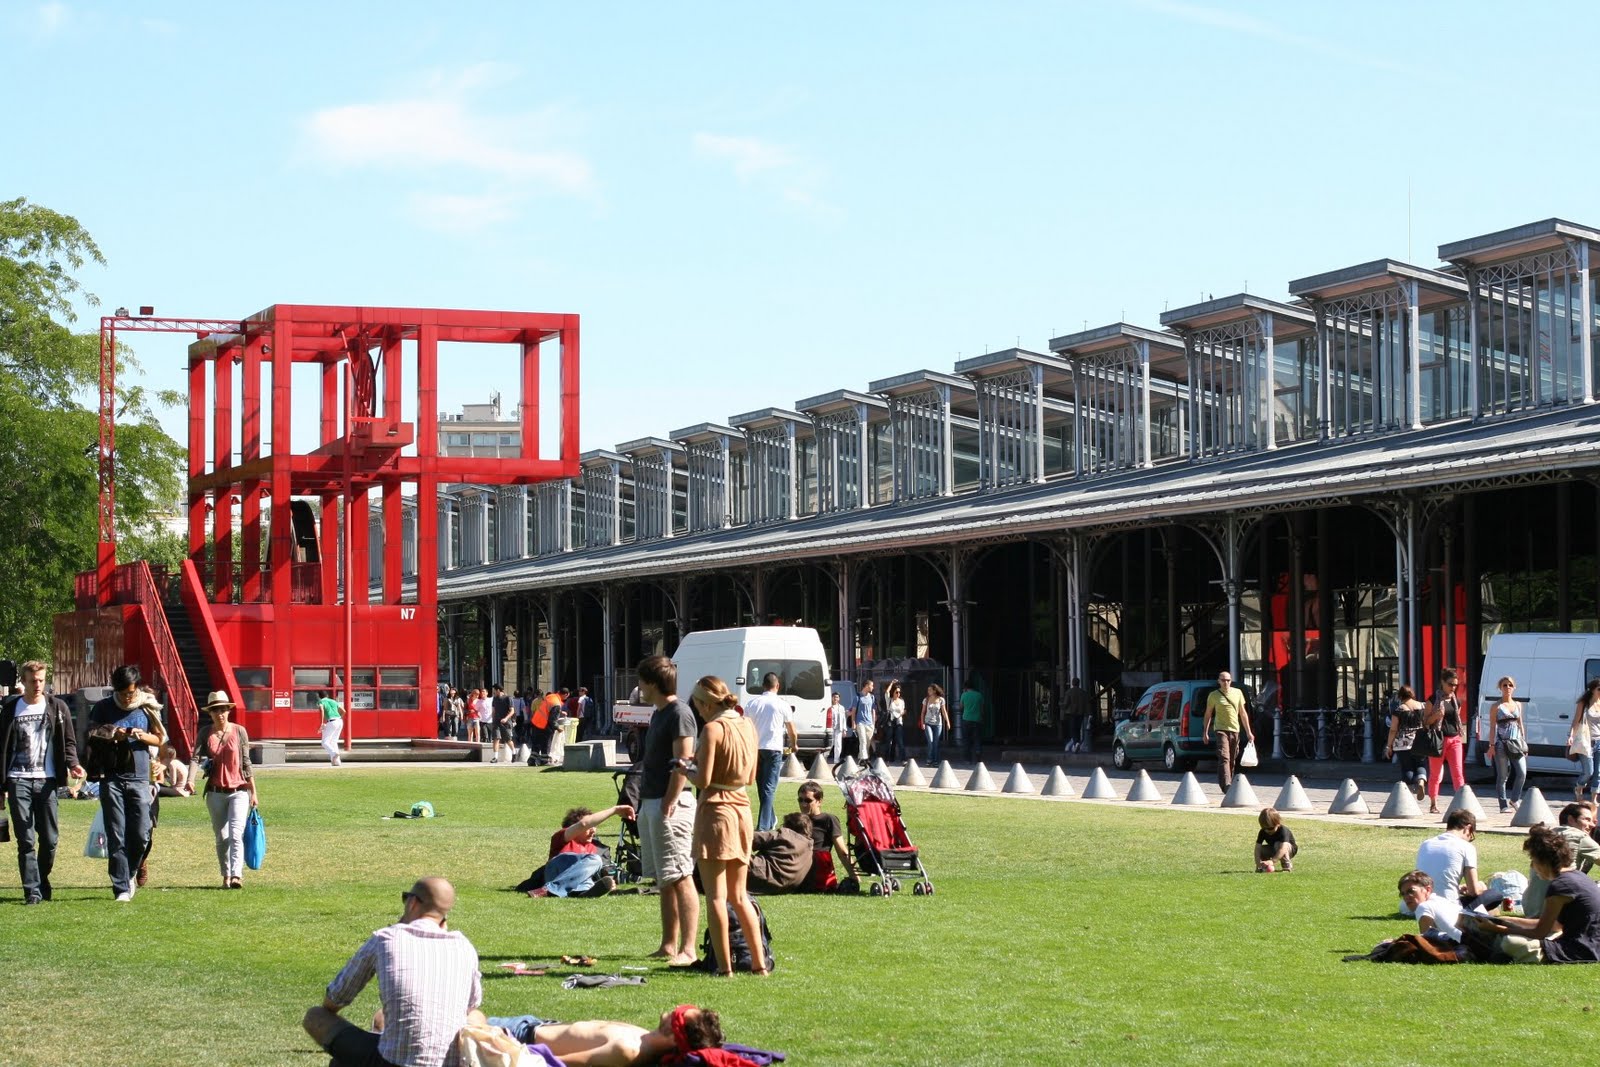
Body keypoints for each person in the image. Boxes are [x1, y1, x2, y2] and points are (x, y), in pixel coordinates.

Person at [302, 876, 482, 1067]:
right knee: (380, 1020)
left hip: (392, 1062)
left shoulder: (386, 938)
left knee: (315, 1016)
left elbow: (336, 998)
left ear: (412, 902)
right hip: (449, 1062)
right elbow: (471, 1007)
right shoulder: (464, 947)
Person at [688, 674, 769, 976]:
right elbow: (750, 777)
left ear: (706, 704)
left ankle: (725, 968)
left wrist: (685, 769)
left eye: (697, 704)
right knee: (740, 894)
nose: (696, 709)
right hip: (743, 809)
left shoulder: (712, 729)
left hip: (716, 811)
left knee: (717, 898)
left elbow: (703, 779)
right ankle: (759, 964)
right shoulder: (747, 724)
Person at [0, 660, 84, 905]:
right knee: (26, 840)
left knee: (49, 840)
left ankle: (40, 878)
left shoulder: (57, 708)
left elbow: (68, 741)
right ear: (23, 682)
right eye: (32, 680)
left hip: (47, 781)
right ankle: (32, 891)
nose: (37, 685)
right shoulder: (11, 709)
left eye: (41, 680)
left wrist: (73, 764)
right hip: (18, 780)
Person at [635, 655, 700, 966]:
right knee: (665, 878)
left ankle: (689, 949)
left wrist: (670, 801)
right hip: (653, 801)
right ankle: (668, 944)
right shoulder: (659, 713)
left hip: (670, 804)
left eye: (641, 681)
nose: (639, 687)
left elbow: (683, 762)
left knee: (681, 875)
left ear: (652, 683)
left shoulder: (679, 713)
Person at [1462, 825, 1600, 964]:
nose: (1533, 867)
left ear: (1543, 860)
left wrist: (1496, 928)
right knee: (1513, 937)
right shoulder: (1577, 877)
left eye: (1533, 860)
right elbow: (1554, 926)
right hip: (1591, 945)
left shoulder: (1560, 885)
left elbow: (1540, 933)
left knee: (1510, 942)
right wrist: (1505, 920)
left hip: (1580, 949)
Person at [86, 664, 161, 902]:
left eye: (130, 692)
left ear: (136, 687)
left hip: (139, 778)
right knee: (116, 834)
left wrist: (140, 735)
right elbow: (90, 733)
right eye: (122, 693)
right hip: (112, 778)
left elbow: (159, 739)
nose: (127, 697)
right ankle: (120, 887)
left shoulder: (147, 705)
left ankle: (129, 872)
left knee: (141, 834)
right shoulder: (103, 707)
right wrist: (113, 733)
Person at [478, 1004, 724, 1067]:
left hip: (519, 1037)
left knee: (463, 1018)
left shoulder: (628, 1050)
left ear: (675, 1036)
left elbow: (564, 1061)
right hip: (535, 1025)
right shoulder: (646, 1038)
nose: (675, 1009)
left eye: (679, 1014)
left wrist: (504, 1045)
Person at [200, 690, 258, 890]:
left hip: (239, 791)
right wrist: (189, 780)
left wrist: (254, 792)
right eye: (216, 710)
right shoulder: (205, 733)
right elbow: (193, 758)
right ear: (210, 713)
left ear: (228, 711)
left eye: (223, 709)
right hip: (215, 792)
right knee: (222, 836)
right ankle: (225, 874)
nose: (220, 714)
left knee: (236, 834)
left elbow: (247, 762)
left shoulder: (240, 731)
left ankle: (236, 875)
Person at [518, 804, 631, 898]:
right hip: (556, 872)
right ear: (573, 828)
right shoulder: (561, 838)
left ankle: (583, 893)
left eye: (595, 827)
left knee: (589, 879)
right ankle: (550, 889)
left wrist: (610, 884)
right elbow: (583, 824)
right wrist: (615, 810)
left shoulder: (593, 847)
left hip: (576, 881)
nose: (593, 831)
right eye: (590, 827)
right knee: (595, 859)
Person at [1401, 809, 1489, 915]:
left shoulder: (1426, 844)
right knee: (1495, 895)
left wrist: (1458, 888)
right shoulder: (1466, 847)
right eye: (1471, 836)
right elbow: (1473, 891)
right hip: (1447, 905)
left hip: (1420, 902)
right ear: (1468, 828)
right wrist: (1482, 886)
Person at [1522, 802, 1600, 919]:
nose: (1592, 825)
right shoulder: (1578, 835)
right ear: (1571, 819)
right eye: (1587, 820)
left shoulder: (1547, 835)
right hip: (1557, 911)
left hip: (1531, 907)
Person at [743, 672, 795, 832]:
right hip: (773, 748)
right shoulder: (782, 704)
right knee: (769, 788)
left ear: (763, 685)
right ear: (777, 686)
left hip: (756, 748)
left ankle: (770, 819)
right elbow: (791, 729)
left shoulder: (752, 703)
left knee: (762, 787)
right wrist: (794, 744)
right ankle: (764, 826)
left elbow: (745, 726)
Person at [797, 781, 858, 892]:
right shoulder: (796, 820)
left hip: (817, 867)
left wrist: (854, 876)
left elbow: (842, 852)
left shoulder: (828, 819)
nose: (803, 804)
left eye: (808, 800)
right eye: (800, 800)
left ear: (819, 801)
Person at [1201, 670, 1253, 790]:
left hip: (1235, 729)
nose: (1226, 682)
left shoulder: (1238, 693)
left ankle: (1228, 781)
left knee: (1232, 758)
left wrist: (1249, 732)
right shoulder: (1214, 695)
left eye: (1228, 680)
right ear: (1219, 681)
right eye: (1223, 680)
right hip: (1220, 729)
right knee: (1224, 756)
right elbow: (1208, 714)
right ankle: (1226, 785)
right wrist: (1205, 732)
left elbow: (1242, 713)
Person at [1423, 667, 1465, 815]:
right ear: (1442, 682)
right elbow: (1425, 722)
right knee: (1435, 773)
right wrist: (1436, 717)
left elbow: (1456, 720)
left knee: (1458, 772)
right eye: (1450, 684)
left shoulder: (1456, 701)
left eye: (1455, 685)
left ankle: (1461, 802)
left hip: (1454, 739)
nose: (1453, 687)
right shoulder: (1433, 699)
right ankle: (1433, 803)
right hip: (1438, 739)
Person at [747, 811, 813, 895]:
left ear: (789, 826)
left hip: (760, 875)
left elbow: (750, 838)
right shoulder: (809, 848)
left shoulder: (785, 835)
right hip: (785, 887)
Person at [1488, 675, 1528, 814]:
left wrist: (1524, 743)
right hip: (1501, 744)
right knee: (1503, 775)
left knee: (1522, 772)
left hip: (1516, 743)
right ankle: (1503, 804)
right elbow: (1492, 727)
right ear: (1500, 688)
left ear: (1514, 687)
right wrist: (1491, 746)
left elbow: (1520, 723)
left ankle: (1515, 799)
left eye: (1510, 685)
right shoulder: (1496, 706)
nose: (1508, 688)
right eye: (1505, 685)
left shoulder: (1518, 704)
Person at [1397, 871, 1463, 949]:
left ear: (1428, 890)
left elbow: (1427, 944)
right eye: (1403, 894)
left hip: (1466, 950)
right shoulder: (1443, 902)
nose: (1406, 897)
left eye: (1411, 891)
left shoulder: (1424, 907)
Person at [1383, 684, 1427, 802]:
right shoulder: (1422, 706)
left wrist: (1389, 746)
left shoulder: (1399, 710)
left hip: (1403, 744)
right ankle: (1421, 781)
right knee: (1420, 765)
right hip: (1420, 742)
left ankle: (1406, 795)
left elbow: (1393, 729)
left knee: (1407, 768)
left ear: (1400, 696)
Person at [1568, 678, 1600, 802]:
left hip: (1599, 741)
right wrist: (1570, 736)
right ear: (1592, 690)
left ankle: (1594, 798)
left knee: (1598, 773)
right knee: (1589, 772)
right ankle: (1579, 787)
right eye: (1599, 689)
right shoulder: (1584, 704)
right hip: (1586, 742)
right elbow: (1575, 721)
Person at [1254, 807, 1297, 873]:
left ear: (1278, 824)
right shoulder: (1263, 832)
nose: (1267, 830)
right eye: (1264, 828)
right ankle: (1263, 867)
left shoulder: (1283, 830)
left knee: (1278, 844)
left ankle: (1286, 867)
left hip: (1289, 849)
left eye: (1271, 828)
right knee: (1262, 849)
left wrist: (1272, 861)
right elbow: (1257, 848)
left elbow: (1283, 848)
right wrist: (1258, 864)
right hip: (1274, 848)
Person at [920, 684, 950, 764]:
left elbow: (944, 711)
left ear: (934, 690)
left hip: (938, 724)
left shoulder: (941, 700)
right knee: (931, 741)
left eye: (930, 690)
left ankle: (936, 760)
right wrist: (922, 723)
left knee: (936, 743)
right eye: (928, 690)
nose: (928, 691)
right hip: (928, 723)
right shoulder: (926, 699)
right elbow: (923, 712)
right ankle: (929, 759)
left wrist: (947, 722)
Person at [851, 680, 877, 764]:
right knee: (863, 740)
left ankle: (861, 757)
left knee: (868, 743)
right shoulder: (858, 697)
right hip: (860, 722)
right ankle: (864, 760)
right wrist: (853, 723)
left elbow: (873, 711)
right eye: (871, 685)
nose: (873, 687)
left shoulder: (872, 697)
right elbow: (853, 711)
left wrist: (873, 723)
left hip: (870, 723)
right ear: (866, 686)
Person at [959, 678, 984, 762]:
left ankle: (968, 759)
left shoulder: (964, 695)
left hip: (966, 719)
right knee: (977, 739)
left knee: (966, 739)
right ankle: (978, 755)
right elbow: (982, 708)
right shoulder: (979, 695)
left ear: (965, 687)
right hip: (977, 719)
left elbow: (961, 707)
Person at [318, 689, 345, 767]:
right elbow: (343, 711)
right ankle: (337, 762)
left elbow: (322, 711)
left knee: (325, 742)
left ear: (319, 696)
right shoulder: (333, 701)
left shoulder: (321, 702)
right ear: (327, 695)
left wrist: (322, 723)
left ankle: (333, 753)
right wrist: (339, 717)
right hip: (339, 721)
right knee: (334, 741)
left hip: (331, 721)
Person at [1064, 677, 1090, 753]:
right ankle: (1077, 743)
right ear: (1079, 683)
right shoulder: (1083, 693)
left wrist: (1061, 705)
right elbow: (1087, 704)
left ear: (1072, 683)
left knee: (1072, 729)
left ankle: (1076, 743)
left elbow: (1066, 704)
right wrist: (1088, 714)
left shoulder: (1069, 692)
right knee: (1078, 729)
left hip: (1071, 713)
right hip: (1081, 713)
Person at [490, 685, 515, 764]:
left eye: (494, 690)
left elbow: (512, 711)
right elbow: (493, 710)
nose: (493, 692)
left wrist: (506, 718)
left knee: (508, 739)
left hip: (506, 722)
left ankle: (514, 752)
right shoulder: (495, 699)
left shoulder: (508, 698)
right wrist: (493, 719)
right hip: (496, 721)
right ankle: (495, 757)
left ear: (498, 690)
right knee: (496, 738)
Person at [883, 681, 907, 762]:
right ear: (893, 692)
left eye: (899, 692)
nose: (898, 694)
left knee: (900, 741)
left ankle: (903, 759)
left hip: (899, 722)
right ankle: (887, 759)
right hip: (890, 722)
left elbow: (903, 710)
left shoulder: (901, 701)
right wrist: (891, 683)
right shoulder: (889, 700)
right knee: (889, 741)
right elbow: (886, 692)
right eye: (896, 692)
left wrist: (903, 712)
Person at [827, 691, 846, 765]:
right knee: (830, 743)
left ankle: (836, 760)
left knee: (838, 744)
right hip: (831, 728)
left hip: (839, 728)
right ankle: (825, 757)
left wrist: (844, 729)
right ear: (832, 698)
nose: (835, 698)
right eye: (834, 697)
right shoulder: (829, 707)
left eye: (837, 697)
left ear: (839, 699)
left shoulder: (841, 708)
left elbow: (844, 718)